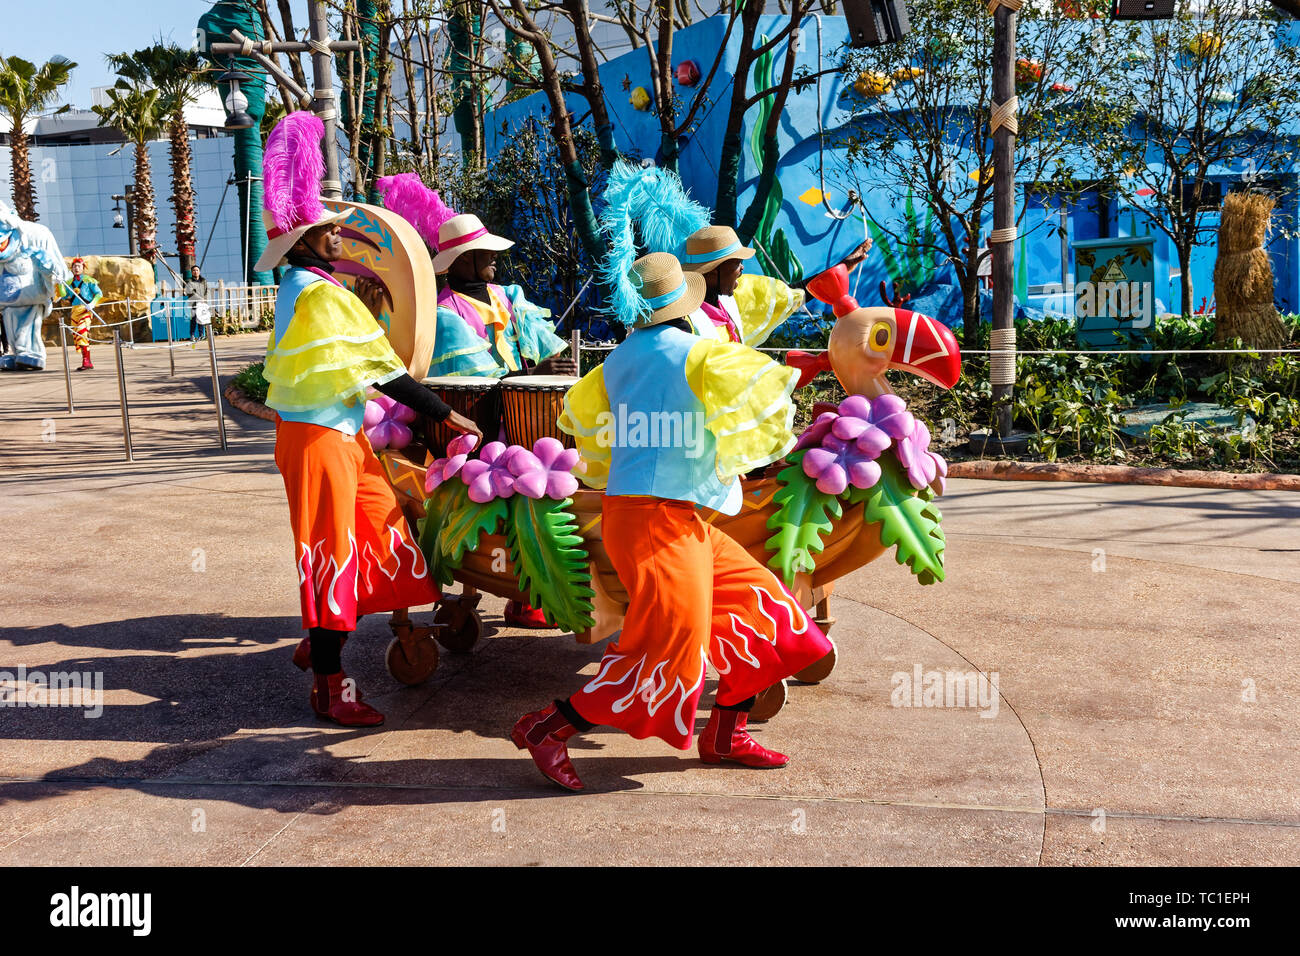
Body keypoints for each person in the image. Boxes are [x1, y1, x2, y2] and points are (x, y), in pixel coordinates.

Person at [511, 253, 834, 791]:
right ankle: (548, 728)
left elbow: (594, 427)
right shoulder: (700, 354)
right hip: (657, 524)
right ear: (687, 303)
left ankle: (726, 734)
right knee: (667, 649)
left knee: (764, 611)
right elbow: (766, 393)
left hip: (658, 517)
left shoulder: (614, 363)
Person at [255, 112, 481, 727]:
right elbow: (383, 369)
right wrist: (445, 412)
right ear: (302, 242)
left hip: (335, 435)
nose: (337, 236)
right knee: (331, 552)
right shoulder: (320, 291)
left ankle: (321, 636)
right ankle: (330, 682)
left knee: (380, 529)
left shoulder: (308, 284)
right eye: (327, 232)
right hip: (319, 440)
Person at [375, 173, 575, 629]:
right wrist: (531, 375)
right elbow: (479, 380)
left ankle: (527, 596)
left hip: (530, 427)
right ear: (459, 262)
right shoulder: (445, 315)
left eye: (491, 252)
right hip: (480, 435)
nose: (493, 260)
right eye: (480, 254)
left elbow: (547, 349)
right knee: (524, 492)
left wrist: (553, 367)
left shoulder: (510, 298)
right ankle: (519, 590)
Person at [681, 225, 872, 345]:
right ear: (714, 270)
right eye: (736, 262)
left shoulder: (735, 296)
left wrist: (843, 267)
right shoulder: (683, 321)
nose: (742, 268)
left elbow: (793, 292)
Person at [56, 258, 102, 371]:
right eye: (74, 266)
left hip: (85, 310)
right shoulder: (69, 283)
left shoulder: (88, 280)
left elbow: (99, 294)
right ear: (71, 268)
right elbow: (63, 295)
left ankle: (86, 361)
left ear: (83, 268)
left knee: (82, 333)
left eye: (78, 266)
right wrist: (59, 284)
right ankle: (87, 361)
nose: (76, 268)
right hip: (74, 311)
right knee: (78, 336)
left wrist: (92, 304)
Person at [184, 266, 210, 342]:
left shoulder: (203, 280)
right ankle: (192, 335)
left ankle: (201, 335)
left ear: (199, 271)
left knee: (201, 318)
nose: (196, 272)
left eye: (197, 270)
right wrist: (199, 298)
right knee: (194, 319)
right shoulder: (189, 281)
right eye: (194, 270)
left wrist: (204, 299)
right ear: (192, 272)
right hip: (193, 303)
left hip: (202, 303)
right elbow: (190, 292)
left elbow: (206, 291)